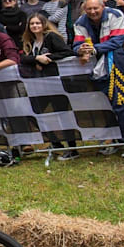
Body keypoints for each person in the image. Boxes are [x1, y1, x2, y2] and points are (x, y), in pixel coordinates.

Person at [72, 0, 124, 158]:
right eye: (89, 9)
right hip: (98, 67)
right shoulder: (80, 22)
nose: (93, 12)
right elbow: (76, 44)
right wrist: (80, 49)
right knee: (109, 105)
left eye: (96, 8)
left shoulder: (116, 15)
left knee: (123, 101)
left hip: (118, 62)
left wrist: (92, 49)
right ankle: (118, 140)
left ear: (103, 6)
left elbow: (118, 41)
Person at [20, 12, 76, 156]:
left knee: (63, 115)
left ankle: (72, 148)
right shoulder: (31, 42)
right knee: (31, 113)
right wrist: (37, 58)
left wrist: (49, 58)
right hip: (40, 85)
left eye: (38, 23)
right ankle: (55, 143)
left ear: (44, 24)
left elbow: (68, 52)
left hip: (56, 83)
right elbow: (23, 59)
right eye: (32, 24)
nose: (35, 26)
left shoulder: (51, 37)